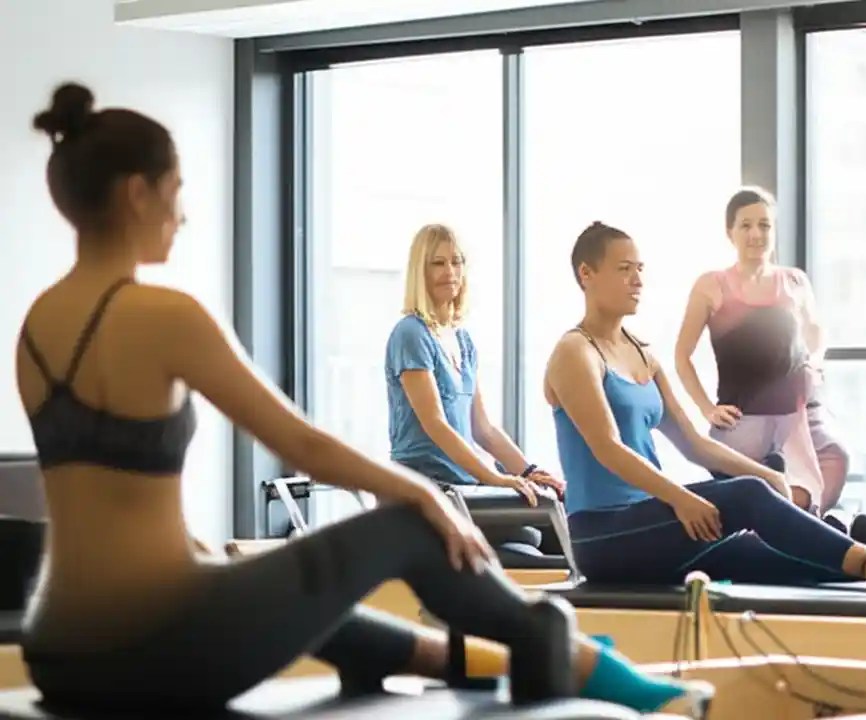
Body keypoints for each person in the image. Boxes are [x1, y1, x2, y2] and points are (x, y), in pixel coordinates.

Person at [14, 81, 710, 717]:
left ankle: (460, 658)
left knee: (309, 595)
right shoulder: (164, 314)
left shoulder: (36, 329)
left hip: (59, 647)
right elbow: (301, 444)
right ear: (139, 193)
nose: (184, 213)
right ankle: (557, 646)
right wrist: (425, 496)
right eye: (177, 189)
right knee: (406, 521)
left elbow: (109, 504)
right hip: (151, 640)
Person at [543, 220, 866, 600]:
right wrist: (682, 498)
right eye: (624, 269)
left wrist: (769, 476)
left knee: (774, 556)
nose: (638, 281)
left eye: (640, 269)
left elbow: (695, 445)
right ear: (586, 274)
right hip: (602, 534)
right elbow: (607, 449)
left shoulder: (642, 354)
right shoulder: (575, 352)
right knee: (746, 497)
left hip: (652, 523)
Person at [675, 188, 850, 514]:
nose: (756, 234)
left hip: (798, 412)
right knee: (758, 493)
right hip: (744, 418)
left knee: (835, 457)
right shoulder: (711, 285)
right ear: (730, 232)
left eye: (765, 225)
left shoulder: (795, 281)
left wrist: (815, 361)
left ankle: (810, 534)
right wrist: (706, 409)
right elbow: (682, 355)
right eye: (746, 225)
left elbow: (815, 331)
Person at [385, 223, 565, 511]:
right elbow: (436, 425)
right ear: (421, 272)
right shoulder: (411, 334)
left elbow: (483, 428)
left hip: (462, 485)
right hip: (426, 484)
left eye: (457, 262)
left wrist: (528, 471)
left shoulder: (462, 340)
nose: (450, 273)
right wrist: (494, 478)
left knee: (549, 518)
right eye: (438, 263)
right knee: (529, 534)